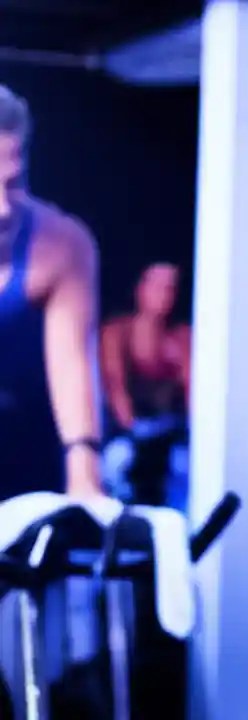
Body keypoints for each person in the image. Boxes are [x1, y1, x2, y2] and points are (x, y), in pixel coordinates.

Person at [0, 83, 103, 502]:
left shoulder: (62, 244)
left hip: (27, 450)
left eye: (13, 183)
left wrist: (86, 484)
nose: (3, 208)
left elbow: (72, 365)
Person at [100, 262, 191, 506]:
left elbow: (192, 396)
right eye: (158, 286)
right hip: (127, 436)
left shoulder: (182, 337)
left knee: (185, 469)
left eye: (171, 288)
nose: (165, 294)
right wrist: (135, 435)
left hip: (171, 436)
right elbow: (115, 387)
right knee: (117, 463)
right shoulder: (118, 332)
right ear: (141, 289)